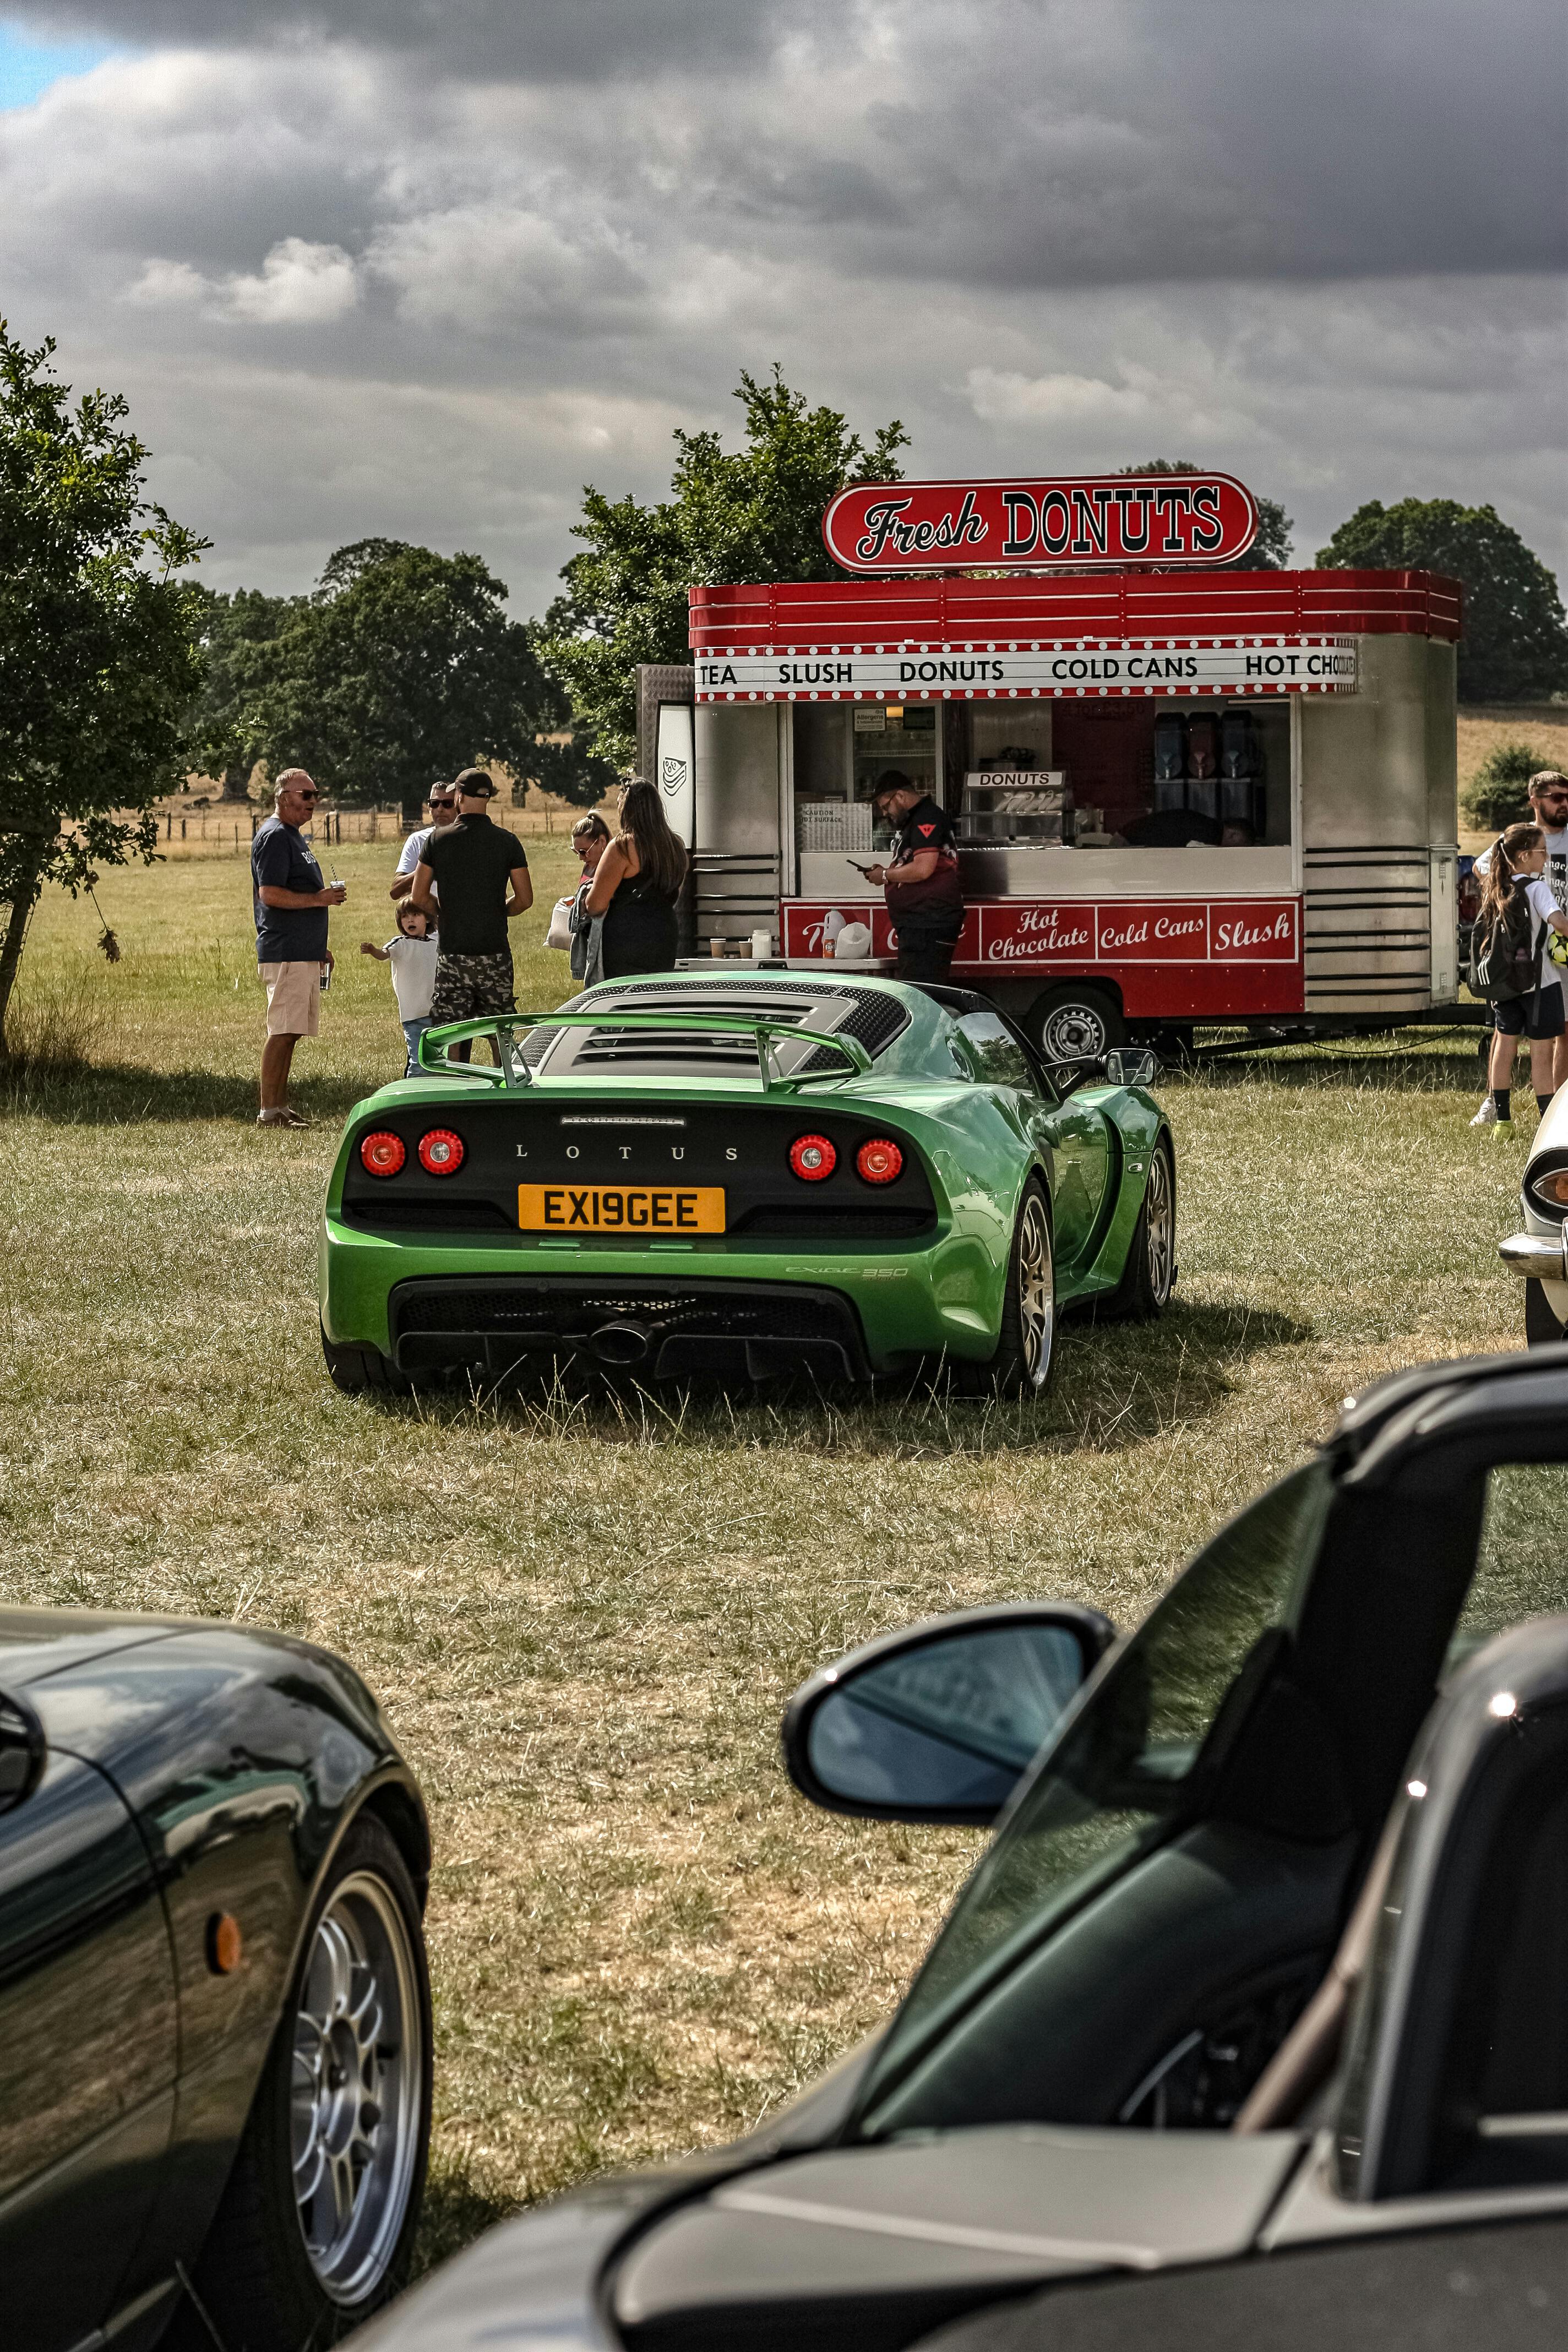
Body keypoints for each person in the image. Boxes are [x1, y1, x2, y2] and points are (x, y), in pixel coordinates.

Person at [410, 769, 532, 1054]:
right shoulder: (507, 841)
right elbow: (525, 899)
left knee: (454, 1029)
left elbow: (418, 895)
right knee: (499, 1030)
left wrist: (439, 913)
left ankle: (458, 1086)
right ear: (487, 798)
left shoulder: (438, 840)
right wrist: (501, 912)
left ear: (459, 796)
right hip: (495, 952)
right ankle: (507, 1090)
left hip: (454, 952)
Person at [1471, 772, 1568, 1125]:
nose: (1564, 802)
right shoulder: (1532, 873)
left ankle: (1513, 1117)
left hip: (1527, 970)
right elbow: (1560, 924)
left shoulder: (1505, 880)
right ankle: (1542, 1120)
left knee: (1521, 1043)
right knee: (1531, 1046)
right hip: (1538, 970)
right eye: (1555, 796)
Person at [251, 767, 346, 1128]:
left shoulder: (294, 837)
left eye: (315, 795)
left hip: (302, 949)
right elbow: (269, 894)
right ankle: (268, 1111)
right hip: (285, 949)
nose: (313, 803)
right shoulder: (275, 836)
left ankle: (280, 1107)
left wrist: (318, 946)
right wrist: (319, 898)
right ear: (283, 795)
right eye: (306, 795)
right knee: (282, 1031)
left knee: (292, 1031)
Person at [865, 771, 964, 982]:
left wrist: (884, 875)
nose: (885, 814)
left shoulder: (926, 818)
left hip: (929, 924)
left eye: (886, 806)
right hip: (921, 924)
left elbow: (923, 869)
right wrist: (889, 871)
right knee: (920, 989)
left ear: (900, 796)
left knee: (923, 994)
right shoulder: (916, 820)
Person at [585, 778, 687, 978]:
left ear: (626, 809)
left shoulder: (622, 847)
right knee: (655, 1000)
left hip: (627, 939)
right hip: (665, 934)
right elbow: (673, 894)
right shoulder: (676, 846)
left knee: (624, 1001)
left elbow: (595, 905)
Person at [361, 900, 439, 1075]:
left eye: (416, 915)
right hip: (413, 1015)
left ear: (427, 919)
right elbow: (384, 954)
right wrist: (373, 950)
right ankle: (413, 1095)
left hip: (436, 1014)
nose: (410, 920)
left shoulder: (436, 946)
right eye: (405, 917)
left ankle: (432, 1094)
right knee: (418, 1062)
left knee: (434, 1061)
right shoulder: (400, 944)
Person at [390, 782, 459, 902]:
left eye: (447, 804)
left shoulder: (468, 839)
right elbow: (395, 891)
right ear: (429, 808)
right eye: (435, 804)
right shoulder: (416, 840)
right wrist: (428, 868)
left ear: (457, 806)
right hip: (425, 917)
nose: (440, 809)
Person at [568, 812, 611, 984]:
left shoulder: (611, 867)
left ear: (601, 842)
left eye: (584, 852)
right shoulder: (589, 866)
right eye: (576, 852)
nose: (581, 858)